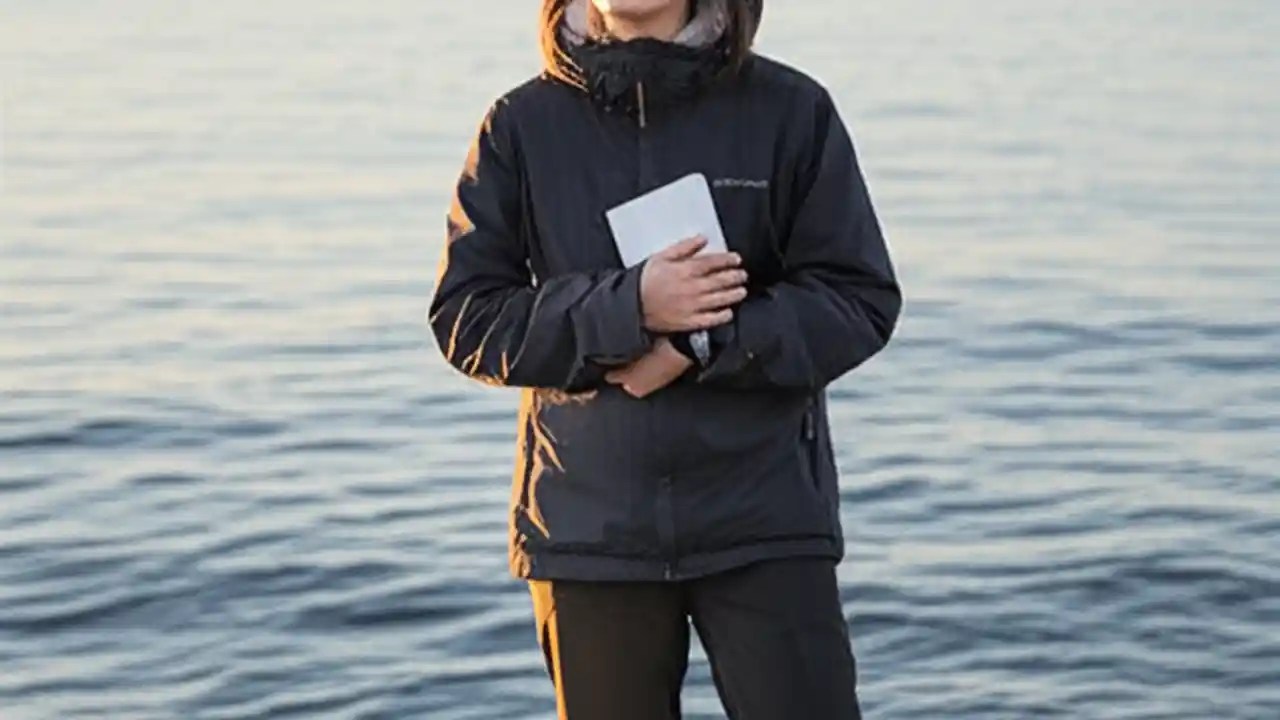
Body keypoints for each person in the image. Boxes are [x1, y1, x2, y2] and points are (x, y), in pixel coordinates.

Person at [428, 0, 901, 717]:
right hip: (591, 532)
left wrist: (701, 340)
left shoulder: (790, 109)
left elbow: (857, 299)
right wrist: (631, 307)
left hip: (764, 521)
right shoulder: (519, 125)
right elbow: (467, 317)